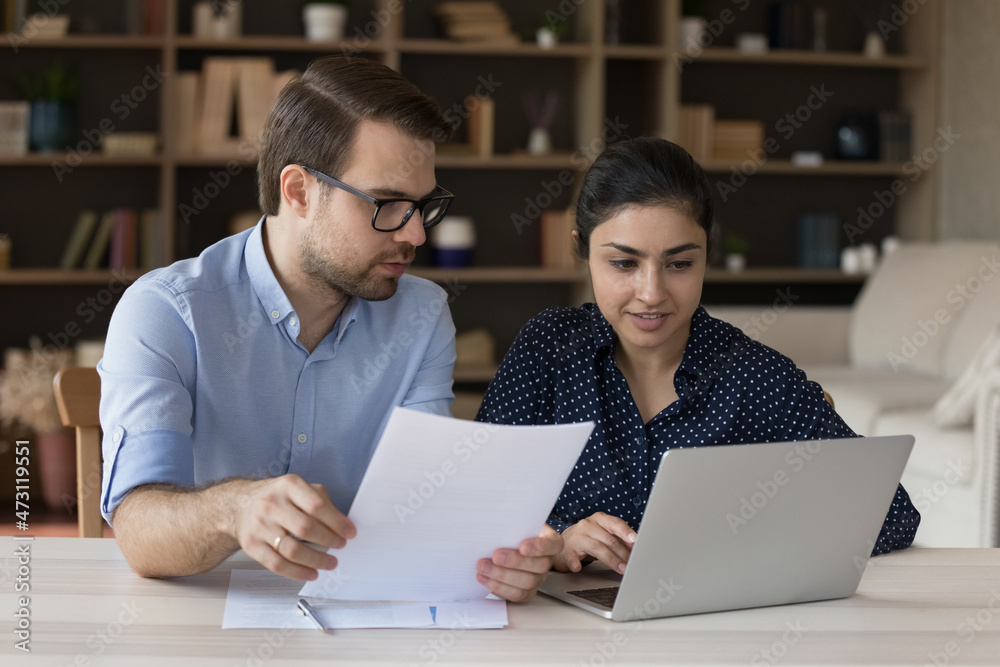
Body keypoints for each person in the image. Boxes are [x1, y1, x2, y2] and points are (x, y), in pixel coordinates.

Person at [98, 56, 560, 602]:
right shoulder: (166, 312)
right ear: (298, 192)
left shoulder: (422, 315)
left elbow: (424, 506)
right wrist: (236, 508)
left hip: (364, 615)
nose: (414, 233)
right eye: (388, 204)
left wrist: (502, 555)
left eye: (423, 205)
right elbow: (138, 530)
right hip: (203, 615)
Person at [475, 137, 920, 575]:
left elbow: (893, 516)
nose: (651, 294)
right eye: (624, 264)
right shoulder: (548, 349)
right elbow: (474, 503)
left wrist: (740, 531)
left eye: (680, 264)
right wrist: (552, 542)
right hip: (562, 629)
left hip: (713, 630)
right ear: (582, 250)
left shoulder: (754, 375)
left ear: (707, 252)